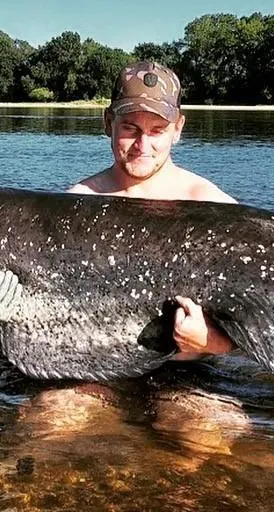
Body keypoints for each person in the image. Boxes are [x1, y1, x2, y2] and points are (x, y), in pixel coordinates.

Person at [68, 60, 236, 360]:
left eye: (157, 131)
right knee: (55, 408)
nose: (142, 145)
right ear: (108, 123)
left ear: (178, 129)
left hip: (191, 373)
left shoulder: (211, 206)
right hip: (96, 364)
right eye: (131, 129)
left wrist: (210, 343)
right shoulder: (78, 202)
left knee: (211, 411)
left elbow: (263, 326)